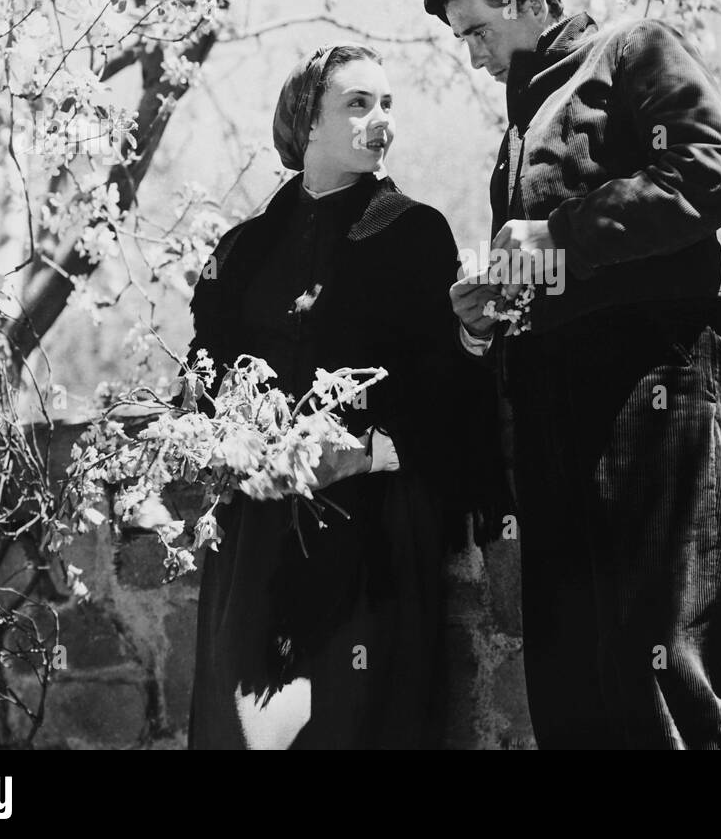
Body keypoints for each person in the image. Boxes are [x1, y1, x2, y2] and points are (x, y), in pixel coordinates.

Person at [426, 0, 721, 749]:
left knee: (660, 655)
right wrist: (487, 310)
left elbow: (714, 175)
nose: (471, 58)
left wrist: (556, 239)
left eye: (477, 32)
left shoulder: (634, 50)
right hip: (546, 403)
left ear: (530, 0)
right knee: (567, 672)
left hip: (651, 374)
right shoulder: (515, 130)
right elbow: (538, 265)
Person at [184, 43, 500, 749]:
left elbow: (445, 382)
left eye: (387, 104)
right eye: (358, 103)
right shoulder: (242, 251)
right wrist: (223, 441)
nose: (380, 120)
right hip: (257, 540)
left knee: (360, 726)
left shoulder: (414, 233)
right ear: (307, 124)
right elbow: (202, 373)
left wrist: (365, 452)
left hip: (374, 533)